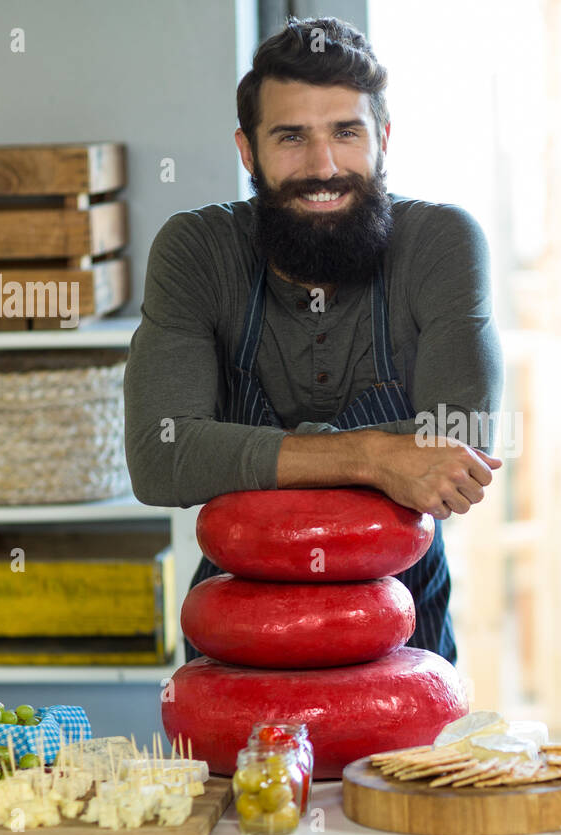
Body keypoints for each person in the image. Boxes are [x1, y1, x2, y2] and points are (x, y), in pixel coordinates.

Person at [124, 16, 504, 665]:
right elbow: (162, 458)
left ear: (382, 139)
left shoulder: (440, 242)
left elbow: (457, 450)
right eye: (291, 137)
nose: (322, 166)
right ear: (248, 151)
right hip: (239, 631)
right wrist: (375, 458)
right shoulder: (196, 249)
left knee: (407, 771)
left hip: (401, 630)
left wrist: (242, 452)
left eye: (346, 133)